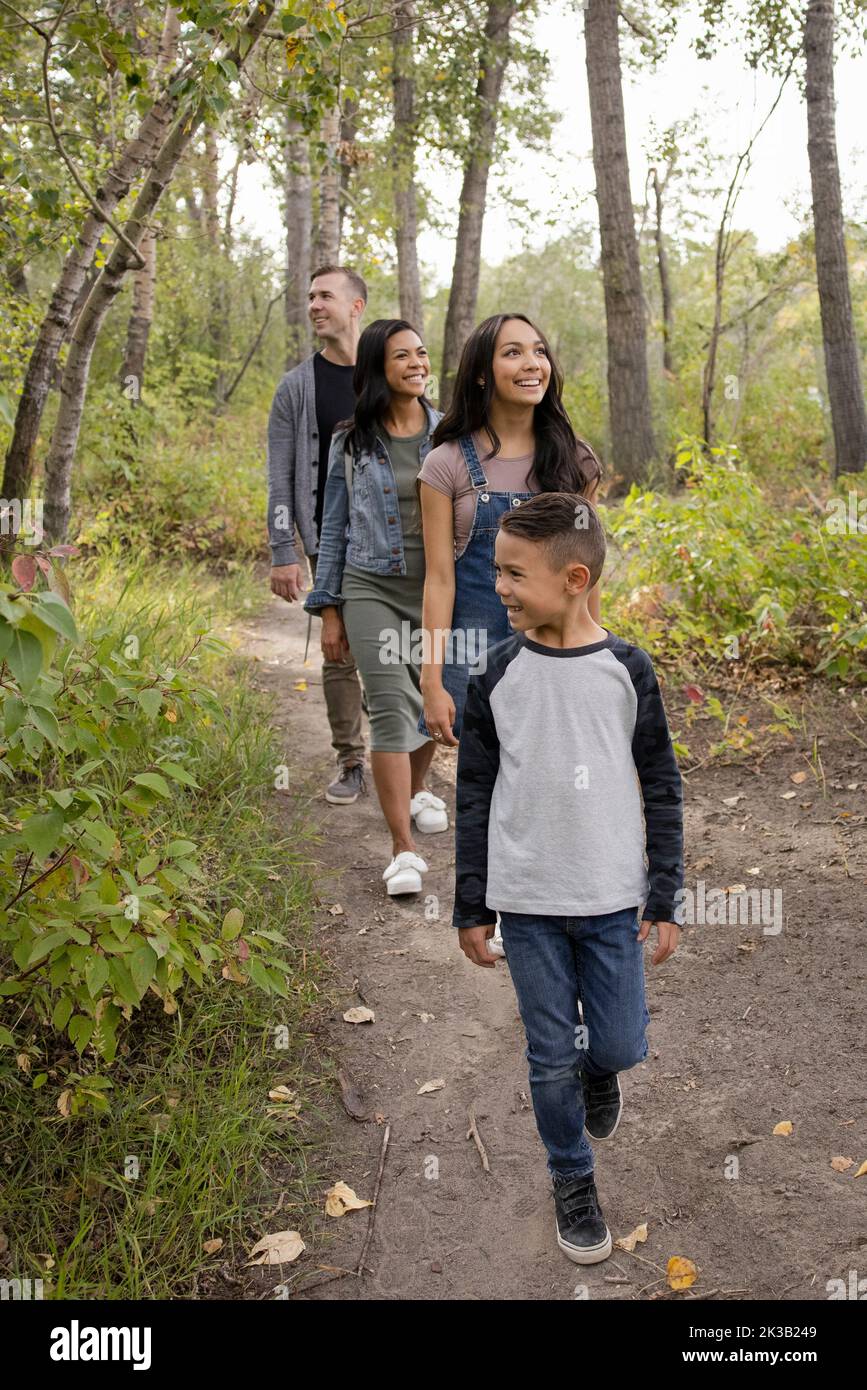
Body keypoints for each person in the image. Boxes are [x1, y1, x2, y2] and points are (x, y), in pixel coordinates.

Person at [452, 491, 683, 1265]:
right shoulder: (495, 674)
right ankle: (571, 1178)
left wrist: (665, 894)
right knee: (546, 1054)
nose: (501, 588)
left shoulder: (625, 671)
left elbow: (660, 783)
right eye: (496, 572)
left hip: (611, 898)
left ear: (574, 578)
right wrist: (470, 905)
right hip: (527, 902)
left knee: (617, 1043)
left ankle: (600, 1074)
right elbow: (475, 794)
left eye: (514, 574)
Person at [304, 320, 448, 897]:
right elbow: (333, 526)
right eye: (401, 356)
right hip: (372, 587)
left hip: (440, 589)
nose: (416, 363)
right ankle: (402, 851)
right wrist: (330, 609)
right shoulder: (352, 439)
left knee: (437, 700)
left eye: (421, 352)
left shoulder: (452, 435)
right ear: (376, 368)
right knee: (391, 705)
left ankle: (418, 789)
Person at [416, 312, 602, 747]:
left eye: (539, 351)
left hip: (558, 649)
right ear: (482, 374)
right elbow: (439, 581)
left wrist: (594, 652)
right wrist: (432, 680)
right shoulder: (445, 464)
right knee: (482, 782)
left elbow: (588, 577)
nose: (532, 363)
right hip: (473, 651)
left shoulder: (576, 462)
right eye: (513, 353)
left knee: (550, 774)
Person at [266, 264, 369, 804]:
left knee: (395, 648)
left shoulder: (387, 373)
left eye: (325, 295)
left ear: (356, 306)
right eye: (309, 297)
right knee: (338, 647)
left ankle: (402, 753)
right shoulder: (295, 387)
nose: (314, 305)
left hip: (391, 538)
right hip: (326, 538)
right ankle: (351, 758)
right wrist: (284, 550)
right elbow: (280, 475)